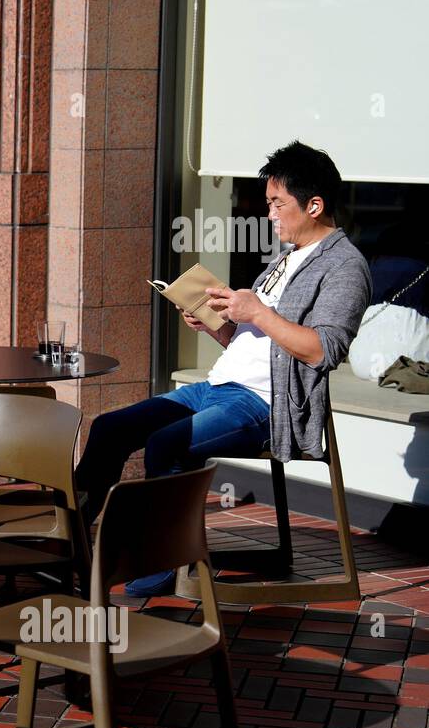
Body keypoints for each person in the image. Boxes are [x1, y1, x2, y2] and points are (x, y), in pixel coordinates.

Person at [73, 141, 372, 596]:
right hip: (217, 386)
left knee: (167, 444)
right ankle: (69, 538)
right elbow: (256, 341)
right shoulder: (286, 259)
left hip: (266, 404)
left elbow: (322, 351)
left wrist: (256, 312)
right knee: (112, 428)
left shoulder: (345, 266)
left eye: (277, 203)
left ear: (314, 205)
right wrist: (214, 325)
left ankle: (162, 564)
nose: (268, 213)